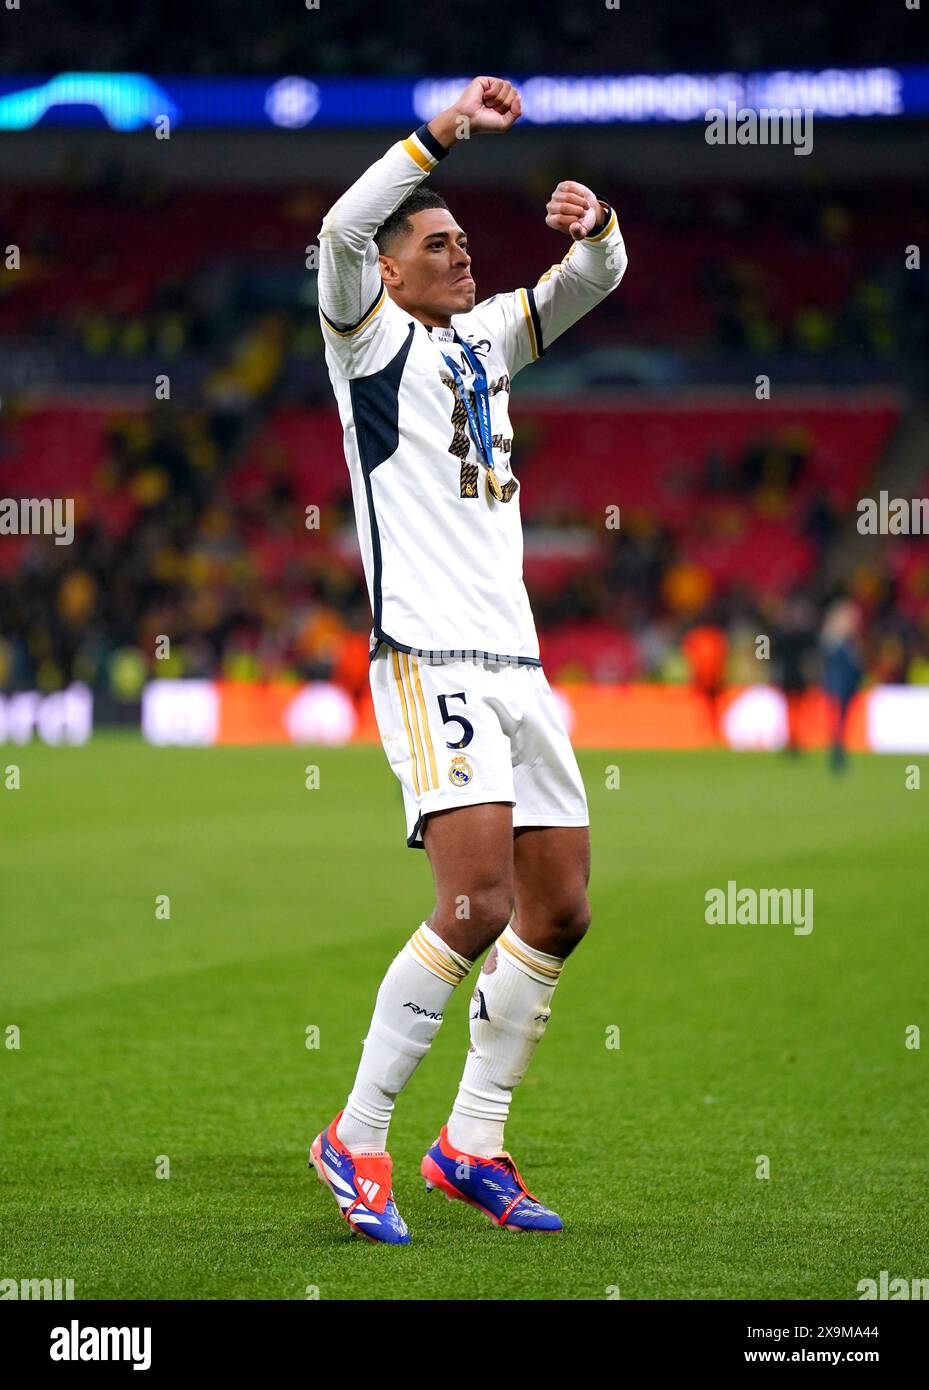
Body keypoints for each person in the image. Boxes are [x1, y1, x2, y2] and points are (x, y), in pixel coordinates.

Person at [309, 76, 628, 1241]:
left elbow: (589, 284)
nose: (461, 257)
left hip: (517, 662)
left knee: (557, 909)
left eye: (463, 240)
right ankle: (354, 1134)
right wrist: (437, 136)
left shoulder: (485, 341)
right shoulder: (367, 338)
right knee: (474, 899)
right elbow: (342, 228)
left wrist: (593, 230)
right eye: (438, 243)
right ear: (388, 273)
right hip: (429, 655)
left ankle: (470, 1144)